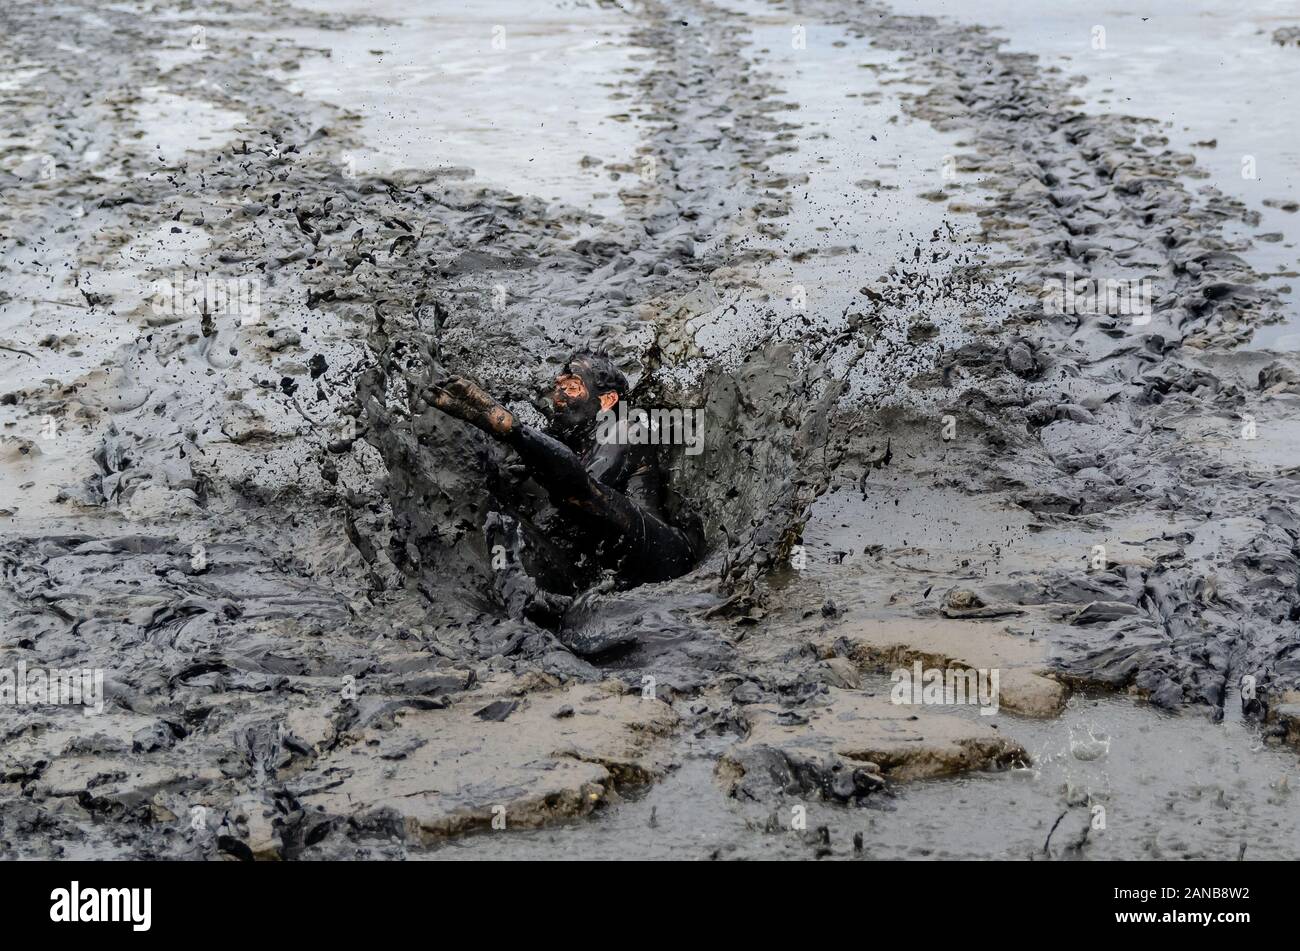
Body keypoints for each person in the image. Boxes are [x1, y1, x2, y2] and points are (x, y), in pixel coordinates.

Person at [428, 352, 698, 624]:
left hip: (657, 553)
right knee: (499, 522)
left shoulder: (624, 430)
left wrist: (510, 430)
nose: (558, 396)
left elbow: (577, 493)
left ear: (607, 400)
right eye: (558, 387)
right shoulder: (570, 444)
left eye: (571, 387)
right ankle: (517, 605)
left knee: (575, 495)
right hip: (604, 566)